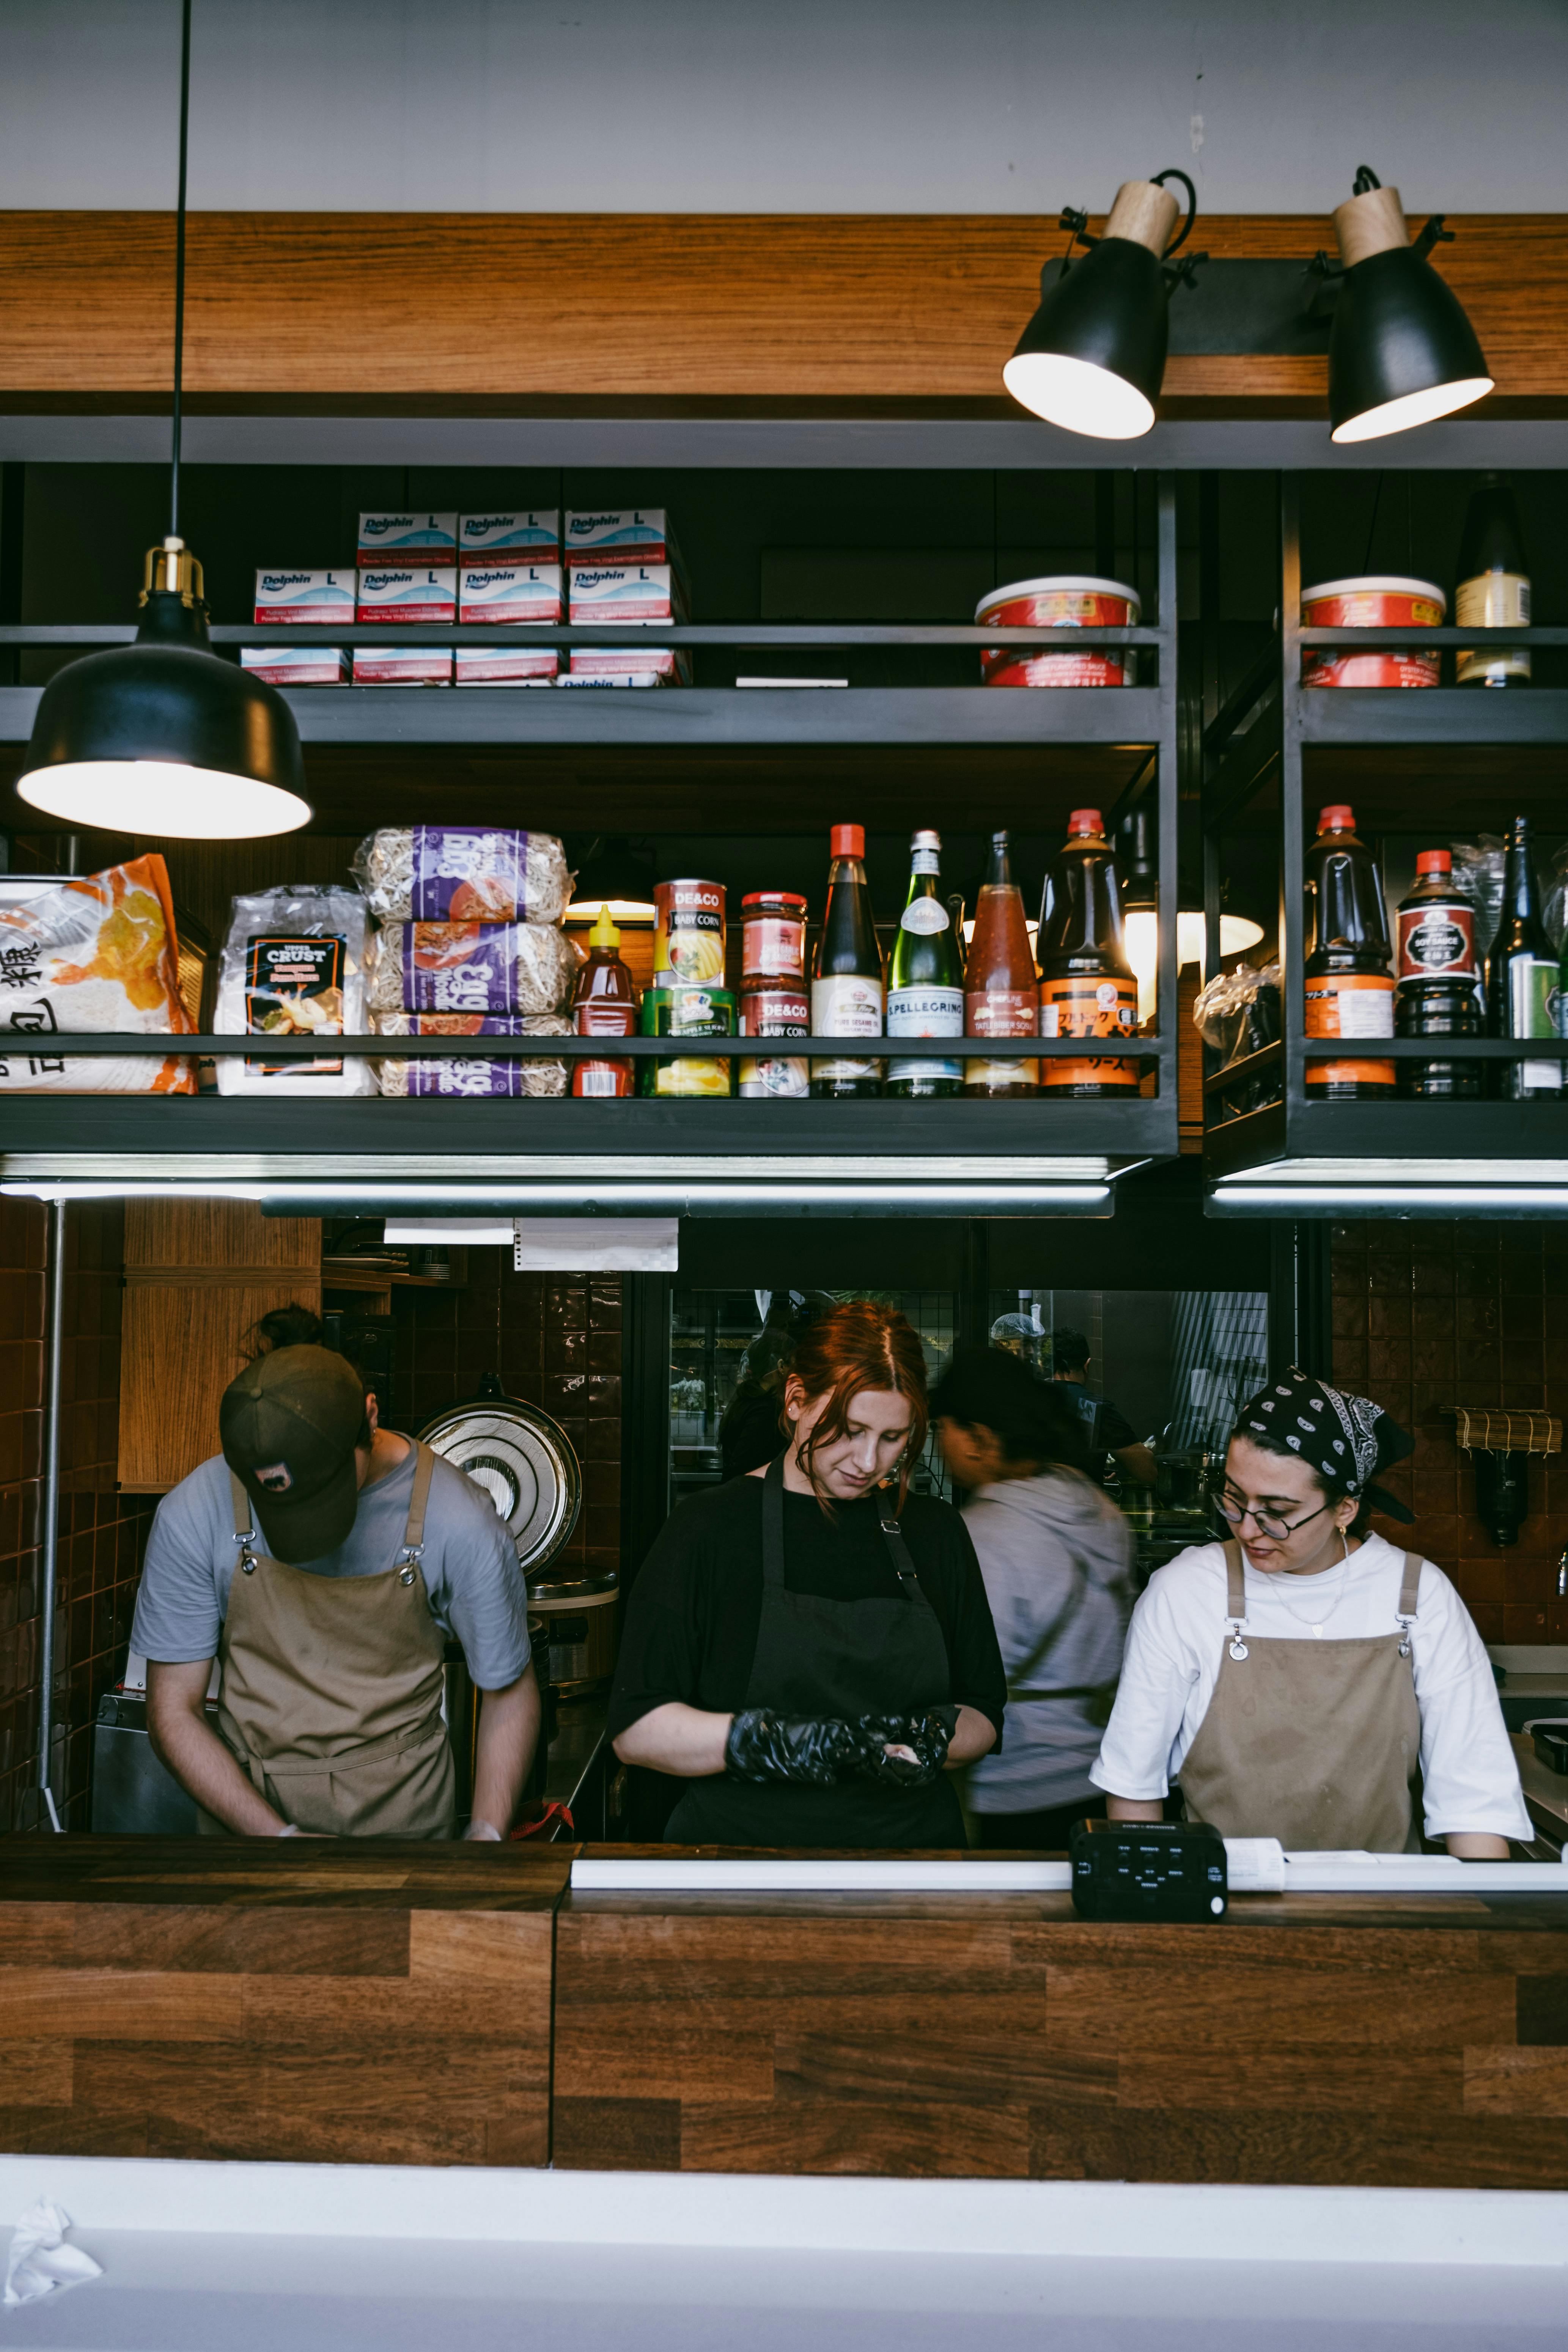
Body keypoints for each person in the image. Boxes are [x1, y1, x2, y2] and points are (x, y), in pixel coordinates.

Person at [134, 1306, 540, 1840]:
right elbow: (173, 1712)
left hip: (405, 1831)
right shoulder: (195, 1510)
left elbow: (508, 1691)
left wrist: (486, 1835)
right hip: (246, 1833)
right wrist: (278, 1840)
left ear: (369, 1417)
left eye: (322, 1492)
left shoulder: (459, 1519)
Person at [610, 1301, 1006, 1847]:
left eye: (893, 1438)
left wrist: (925, 1737)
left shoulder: (935, 1533)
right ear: (796, 1400)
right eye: (848, 1429)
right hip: (740, 1859)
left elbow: (983, 1710)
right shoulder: (707, 1529)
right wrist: (773, 1741)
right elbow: (637, 1729)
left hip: (910, 1860)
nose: (868, 1461)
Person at [1090, 1366, 1531, 1855]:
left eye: (1276, 1511)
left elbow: (1475, 1801)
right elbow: (1133, 1783)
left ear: (1343, 1508)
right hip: (1226, 1901)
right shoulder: (1186, 1590)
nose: (1248, 1528)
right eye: (1234, 1498)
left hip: (1385, 1905)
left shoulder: (1416, 1594)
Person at [933, 1346, 1134, 1850]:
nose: (937, 1442)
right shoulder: (1096, 1505)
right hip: (1115, 1774)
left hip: (1023, 1788)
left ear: (978, 1439)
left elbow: (969, 1677)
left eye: (943, 1427)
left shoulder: (983, 1536)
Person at [1049, 1328, 1157, 1488]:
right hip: (1077, 1506)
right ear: (1087, 1365)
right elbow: (1148, 1472)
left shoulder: (1033, 1397)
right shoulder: (1096, 1408)